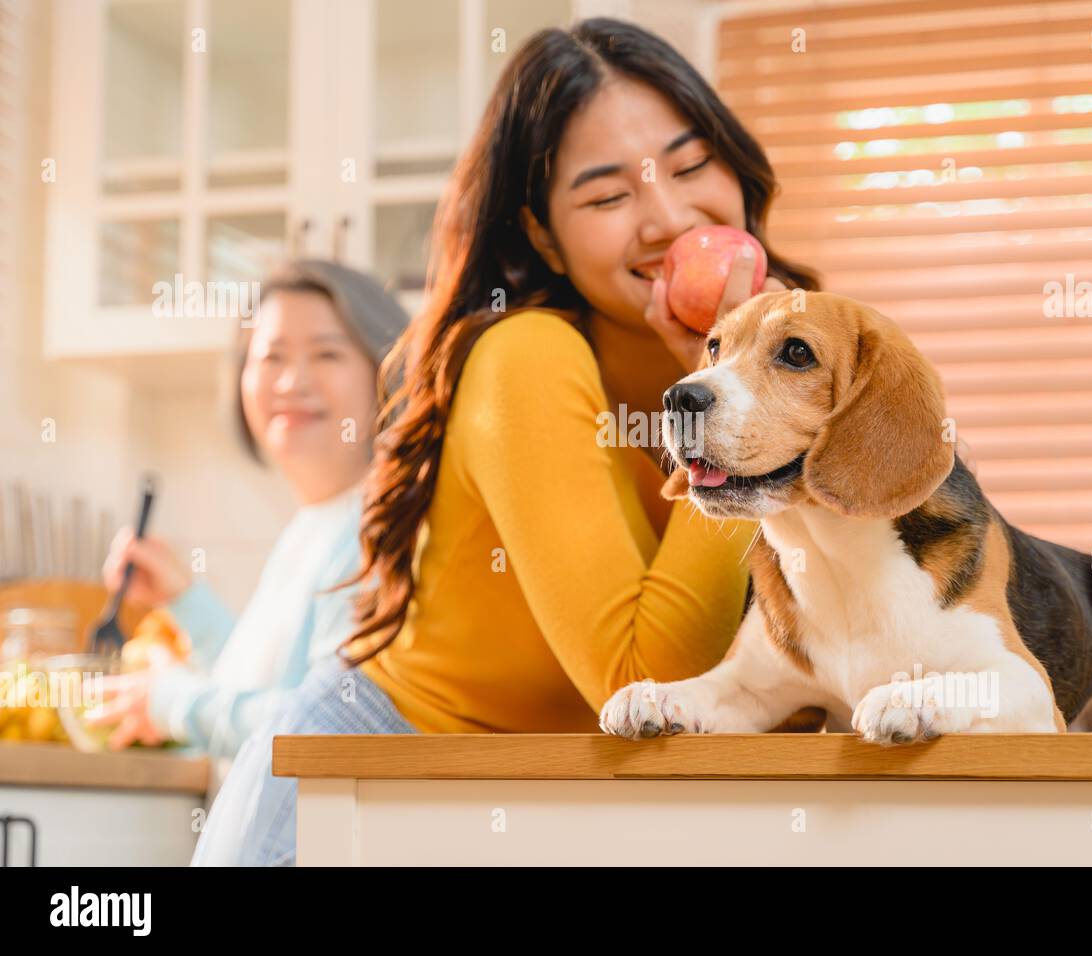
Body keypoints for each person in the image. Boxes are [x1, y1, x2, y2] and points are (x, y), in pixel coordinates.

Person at [191, 17, 822, 866]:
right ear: (541, 233)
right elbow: (650, 689)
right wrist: (736, 401)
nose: (669, 218)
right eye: (607, 197)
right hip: (361, 799)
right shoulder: (526, 357)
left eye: (689, 166)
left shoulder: (798, 359)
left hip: (513, 814)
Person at [92, 260, 409, 759]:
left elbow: (333, 728)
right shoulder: (315, 524)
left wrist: (174, 702)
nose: (291, 381)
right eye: (270, 357)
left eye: (326, 353)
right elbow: (268, 691)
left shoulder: (379, 526)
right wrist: (184, 599)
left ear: (386, 370)